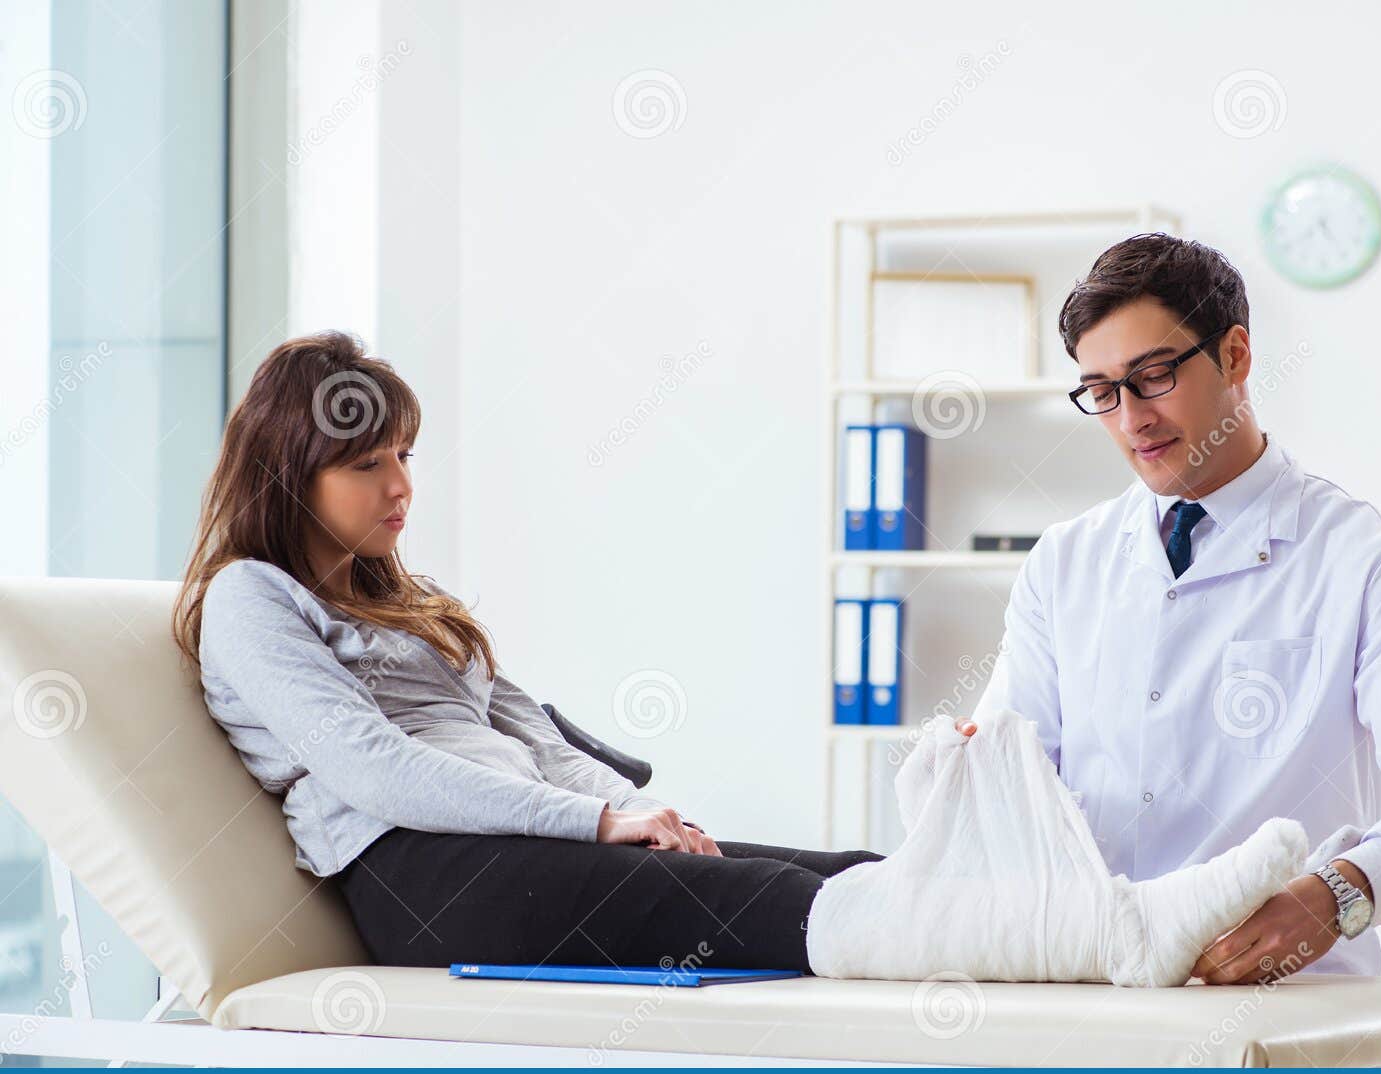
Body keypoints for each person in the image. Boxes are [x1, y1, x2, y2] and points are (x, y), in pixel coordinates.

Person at [172, 329, 1312, 985]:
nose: (402, 486)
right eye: (369, 463)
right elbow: (369, 768)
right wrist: (598, 826)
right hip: (423, 879)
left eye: (407, 455)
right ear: (289, 468)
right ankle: (1125, 940)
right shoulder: (249, 599)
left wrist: (627, 811)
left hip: (512, 841)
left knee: (852, 866)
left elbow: (529, 734)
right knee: (771, 905)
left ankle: (1123, 918)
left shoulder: (408, 601)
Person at [958, 233, 1381, 985]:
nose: (1130, 421)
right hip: (1091, 997)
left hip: (1285, 1007)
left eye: (1152, 377)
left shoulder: (1369, 560)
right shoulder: (1063, 563)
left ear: (1237, 356)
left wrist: (1338, 895)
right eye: (1102, 392)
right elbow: (1007, 773)